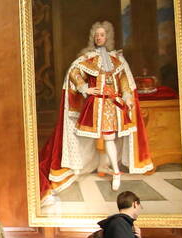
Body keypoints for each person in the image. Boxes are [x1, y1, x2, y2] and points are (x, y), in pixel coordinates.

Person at [39, 20, 153, 201]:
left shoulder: (117, 59)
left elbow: (123, 81)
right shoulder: (88, 58)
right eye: (96, 35)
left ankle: (114, 171)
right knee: (89, 140)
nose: (99, 37)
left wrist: (127, 97)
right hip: (95, 106)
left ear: (107, 37)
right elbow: (74, 73)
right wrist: (85, 88)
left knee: (109, 138)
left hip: (113, 106)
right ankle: (85, 166)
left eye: (102, 34)